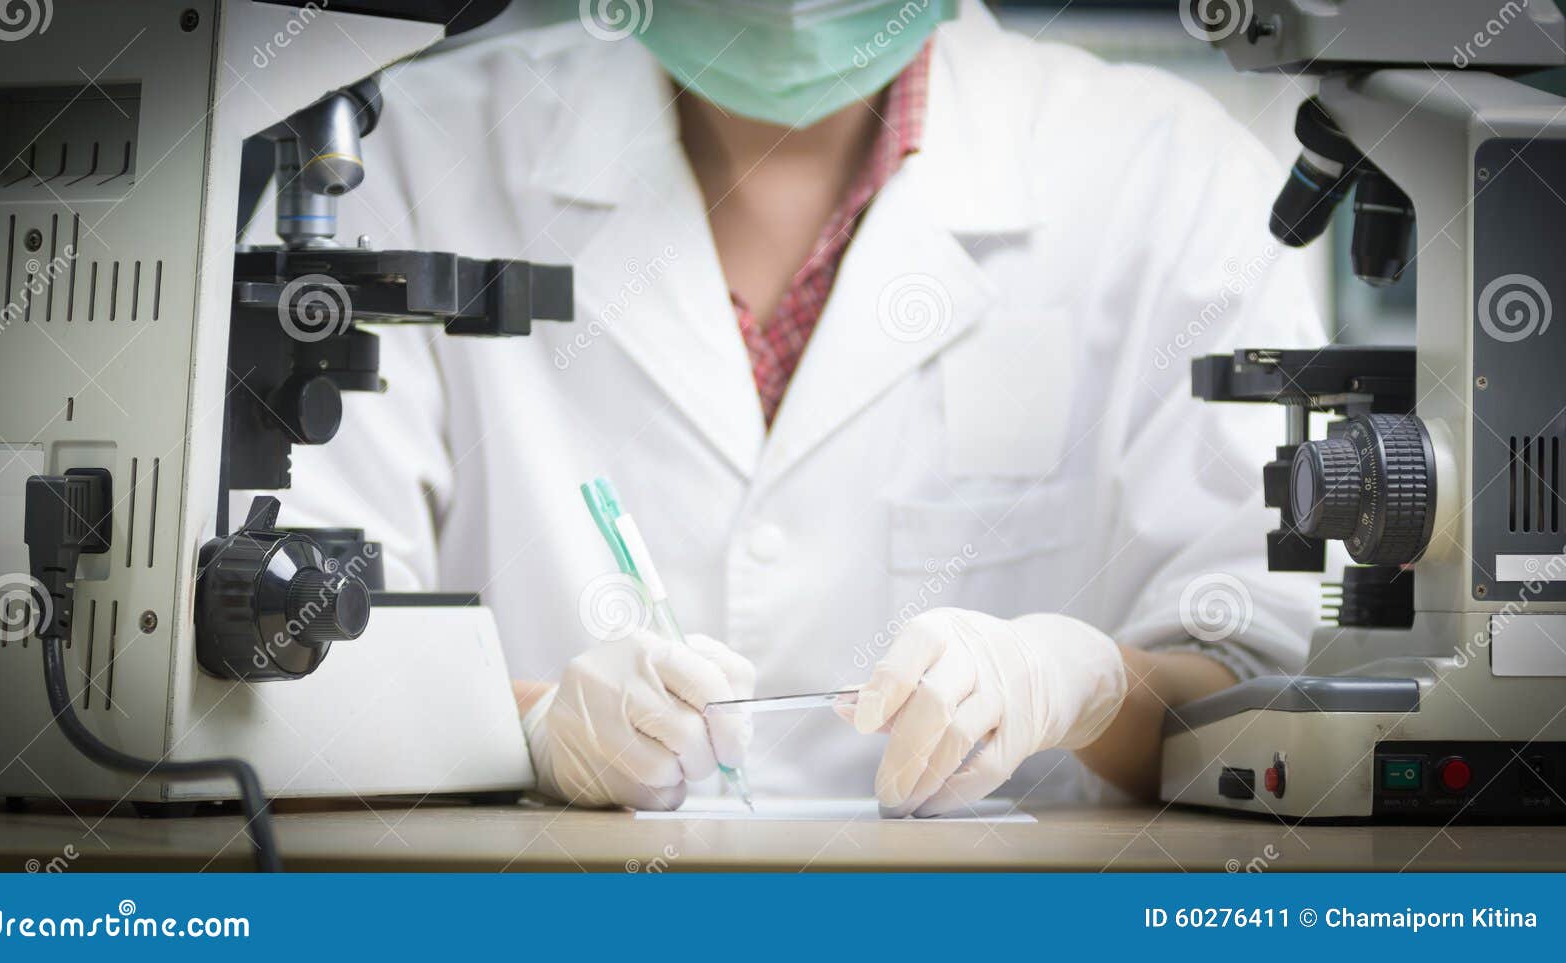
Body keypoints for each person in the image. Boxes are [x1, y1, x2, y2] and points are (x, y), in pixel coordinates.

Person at [263, 0, 1325, 815]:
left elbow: (1262, 700)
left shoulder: (1174, 178)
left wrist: (1089, 687)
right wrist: (538, 731)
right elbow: (288, 652)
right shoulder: (385, 155)